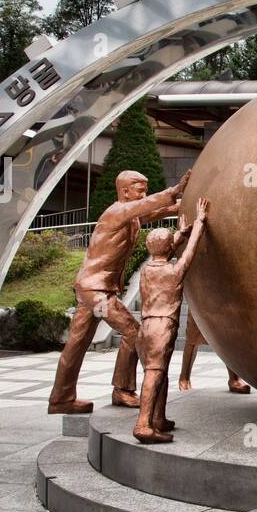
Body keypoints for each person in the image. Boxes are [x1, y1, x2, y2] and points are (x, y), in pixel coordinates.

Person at [48, 170, 189, 415]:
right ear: (124, 191)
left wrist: (183, 205)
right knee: (134, 332)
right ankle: (122, 390)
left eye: (145, 189)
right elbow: (148, 205)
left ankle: (61, 398)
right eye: (139, 189)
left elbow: (155, 211)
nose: (144, 194)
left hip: (91, 287)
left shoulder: (130, 217)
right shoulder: (116, 212)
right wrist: (174, 190)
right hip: (97, 290)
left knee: (76, 344)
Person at [133, 197, 211, 443]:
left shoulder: (147, 270)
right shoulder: (173, 272)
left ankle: (158, 418)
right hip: (161, 327)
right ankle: (143, 424)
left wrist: (180, 232)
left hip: (145, 328)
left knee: (159, 373)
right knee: (155, 375)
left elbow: (167, 249)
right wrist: (199, 222)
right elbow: (189, 252)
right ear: (170, 249)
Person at [178, 309, 250, 395]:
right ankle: (184, 378)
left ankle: (234, 379)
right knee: (193, 334)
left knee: (227, 333)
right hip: (199, 299)